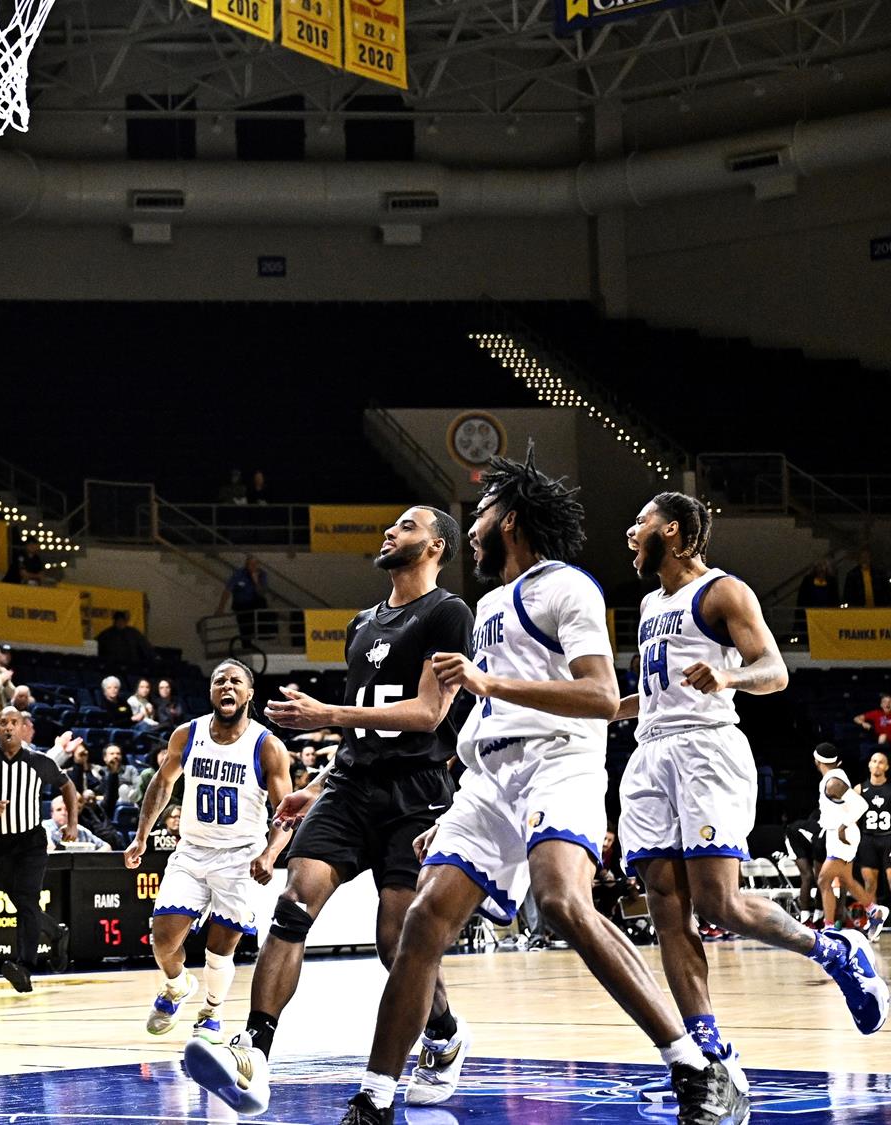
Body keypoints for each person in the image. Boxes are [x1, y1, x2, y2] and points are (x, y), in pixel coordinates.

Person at [311, 454, 738, 1125]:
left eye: (480, 516)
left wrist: (488, 683)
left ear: (508, 520)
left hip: (558, 761)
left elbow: (600, 696)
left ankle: (694, 1066)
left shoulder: (568, 587)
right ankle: (375, 1098)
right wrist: (457, 803)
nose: (471, 532)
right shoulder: (487, 604)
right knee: (421, 920)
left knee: (562, 900)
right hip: (490, 777)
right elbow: (488, 712)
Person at [618, 494, 887, 1102]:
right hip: (650, 751)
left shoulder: (722, 592)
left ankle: (835, 950)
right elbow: (659, 693)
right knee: (665, 906)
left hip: (705, 750)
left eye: (641, 522)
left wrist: (729, 675)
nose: (631, 533)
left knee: (719, 903)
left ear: (674, 531)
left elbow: (774, 670)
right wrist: (608, 708)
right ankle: (711, 1056)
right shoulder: (649, 604)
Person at [214, 506, 473, 1113]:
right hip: (351, 784)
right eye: (392, 526)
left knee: (396, 942)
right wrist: (319, 783)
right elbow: (364, 728)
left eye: (406, 527)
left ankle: (443, 1035)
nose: (390, 532)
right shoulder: (361, 623)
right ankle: (253, 1052)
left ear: (436, 546)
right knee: (293, 904)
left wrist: (326, 715)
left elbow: (428, 714)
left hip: (416, 791)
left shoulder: (448, 612)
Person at [126, 659, 292, 1053]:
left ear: (249, 693)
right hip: (192, 851)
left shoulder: (267, 746)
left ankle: (211, 1013)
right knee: (163, 939)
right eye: (220, 681)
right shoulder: (188, 734)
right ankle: (176, 985)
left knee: (220, 948)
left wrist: (270, 853)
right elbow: (162, 784)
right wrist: (141, 836)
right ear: (211, 691)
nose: (227, 686)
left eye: (235, 681)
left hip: (240, 857)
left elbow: (286, 812)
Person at [0, 707, 78, 993]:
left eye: (14, 722)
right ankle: (56, 933)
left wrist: (72, 823)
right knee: (22, 904)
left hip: (31, 842)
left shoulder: (39, 761)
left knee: (26, 898)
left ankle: (24, 965)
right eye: (3, 723)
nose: (9, 727)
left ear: (23, 728)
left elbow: (68, 786)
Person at [816, 745, 882, 934]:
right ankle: (874, 911)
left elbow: (861, 805)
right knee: (847, 880)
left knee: (823, 880)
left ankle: (829, 928)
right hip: (837, 834)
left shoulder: (833, 782)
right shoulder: (832, 778)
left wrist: (842, 827)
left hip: (842, 836)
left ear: (817, 761)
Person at [857, 751, 891, 909]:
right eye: (874, 761)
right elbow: (852, 819)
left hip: (888, 838)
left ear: (887, 767)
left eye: (881, 762)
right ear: (869, 764)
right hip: (868, 839)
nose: (877, 764)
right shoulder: (859, 789)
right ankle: (873, 919)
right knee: (870, 883)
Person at [225, 556, 270, 638]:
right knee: (244, 627)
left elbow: (262, 593)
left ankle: (263, 632)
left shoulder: (262, 574)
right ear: (246, 566)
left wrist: (256, 581)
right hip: (240, 603)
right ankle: (246, 640)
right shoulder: (239, 573)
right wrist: (220, 608)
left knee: (262, 601)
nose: (253, 566)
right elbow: (228, 589)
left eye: (255, 564)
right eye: (251, 564)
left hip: (253, 602)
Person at [44, 796, 110, 851]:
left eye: (67, 809)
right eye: (59, 810)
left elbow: (107, 847)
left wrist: (93, 858)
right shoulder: (44, 827)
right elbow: (49, 849)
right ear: (52, 814)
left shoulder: (81, 830)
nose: (63, 813)